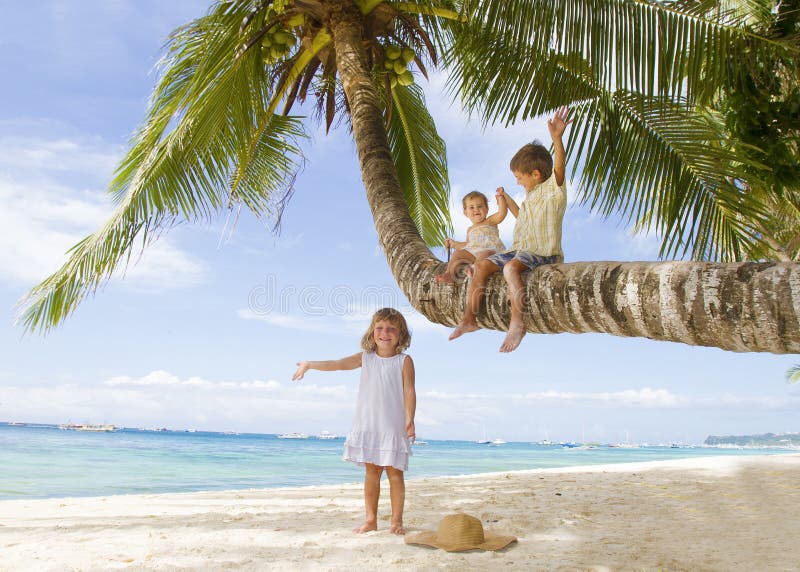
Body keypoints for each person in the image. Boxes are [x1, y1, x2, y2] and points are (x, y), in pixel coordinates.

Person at [449, 106, 572, 353]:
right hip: (520, 250)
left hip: (541, 253)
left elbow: (559, 169)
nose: (517, 181)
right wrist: (506, 199)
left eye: (519, 177)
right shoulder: (530, 197)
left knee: (510, 269)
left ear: (535, 174)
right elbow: (520, 217)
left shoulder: (552, 192)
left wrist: (557, 139)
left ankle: (517, 323)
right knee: (482, 266)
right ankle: (469, 319)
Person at [292, 308, 416, 535]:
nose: (385, 333)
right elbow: (337, 364)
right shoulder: (365, 358)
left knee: (395, 473)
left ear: (401, 334)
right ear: (372, 332)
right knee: (371, 473)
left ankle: (396, 522)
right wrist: (309, 364)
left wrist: (410, 419)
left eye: (391, 329)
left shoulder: (404, 361)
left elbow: (409, 391)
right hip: (368, 424)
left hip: (392, 426)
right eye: (379, 327)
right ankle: (371, 520)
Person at [435, 189, 508, 284]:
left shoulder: (490, 221)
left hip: (490, 251)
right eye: (471, 207)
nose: (476, 209)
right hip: (474, 252)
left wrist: (501, 198)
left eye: (480, 206)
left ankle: (473, 269)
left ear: (487, 209)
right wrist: (453, 244)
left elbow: (502, 213)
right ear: (465, 213)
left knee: (485, 254)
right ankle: (449, 274)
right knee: (458, 253)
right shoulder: (470, 230)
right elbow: (467, 245)